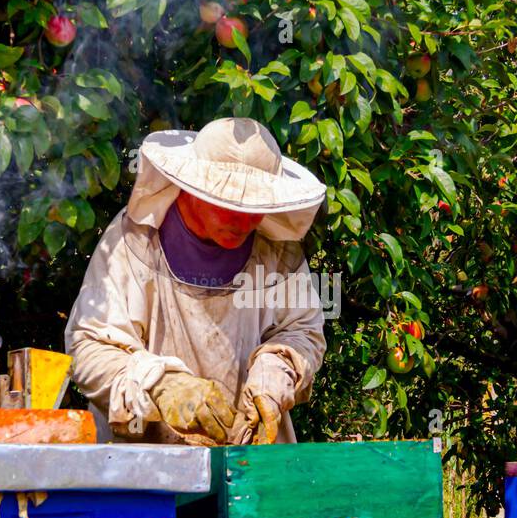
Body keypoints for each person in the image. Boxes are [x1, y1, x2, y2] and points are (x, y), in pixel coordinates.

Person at [65, 117, 326, 445]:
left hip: (247, 464)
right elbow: (89, 346)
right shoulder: (132, 241)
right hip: (147, 468)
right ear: (192, 186)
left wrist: (276, 373)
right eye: (229, 203)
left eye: (256, 205)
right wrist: (160, 386)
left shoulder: (276, 252)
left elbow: (303, 331)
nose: (243, 220)